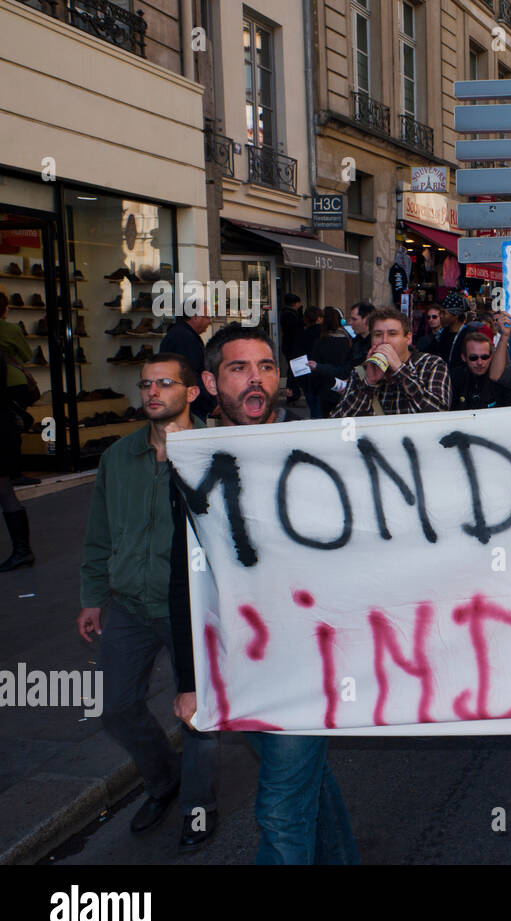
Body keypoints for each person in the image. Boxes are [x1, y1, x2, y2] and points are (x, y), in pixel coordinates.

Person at [174, 323, 359, 864]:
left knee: (280, 809)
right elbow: (179, 575)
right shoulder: (192, 459)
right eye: (239, 369)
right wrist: (191, 680)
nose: (256, 381)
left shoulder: (318, 445)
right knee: (307, 782)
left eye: (266, 368)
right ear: (210, 381)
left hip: (309, 659)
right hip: (239, 658)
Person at [78, 353, 219, 851]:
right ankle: (165, 782)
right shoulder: (118, 458)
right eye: (145, 385)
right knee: (116, 708)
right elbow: (99, 535)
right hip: (129, 607)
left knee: (197, 715)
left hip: (193, 608)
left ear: (192, 391)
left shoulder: (214, 450)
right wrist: (93, 597)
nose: (152, 392)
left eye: (164, 383)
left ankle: (198, 808)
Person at [330, 307, 449, 417]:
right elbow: (339, 422)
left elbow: (439, 413)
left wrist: (400, 370)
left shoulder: (431, 364)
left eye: (392, 334)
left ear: (408, 338)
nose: (384, 341)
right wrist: (369, 383)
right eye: (378, 334)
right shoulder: (360, 372)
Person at [0, 294, 34, 571]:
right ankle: (22, 550)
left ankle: (22, 550)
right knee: (5, 490)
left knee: (4, 489)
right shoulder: (9, 331)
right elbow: (26, 355)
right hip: (6, 418)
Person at [159, 308, 215, 419]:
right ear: (195, 316)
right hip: (188, 406)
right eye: (207, 317)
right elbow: (190, 375)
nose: (209, 322)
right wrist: (212, 404)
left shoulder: (181, 334)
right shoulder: (184, 338)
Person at [450, 331, 511, 410]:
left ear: (491, 357)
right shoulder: (455, 379)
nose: (480, 362)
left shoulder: (502, 380)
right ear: (464, 357)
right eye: (473, 358)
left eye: (484, 357)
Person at [306, 306, 353, 418]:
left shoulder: (320, 342)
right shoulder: (349, 341)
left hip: (325, 388)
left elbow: (315, 369)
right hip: (344, 386)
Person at [279, 294, 305, 402]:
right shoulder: (290, 315)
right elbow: (297, 328)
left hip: (289, 345)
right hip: (292, 346)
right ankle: (292, 394)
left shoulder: (286, 313)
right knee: (294, 371)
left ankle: (293, 394)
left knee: (293, 370)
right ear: (295, 303)